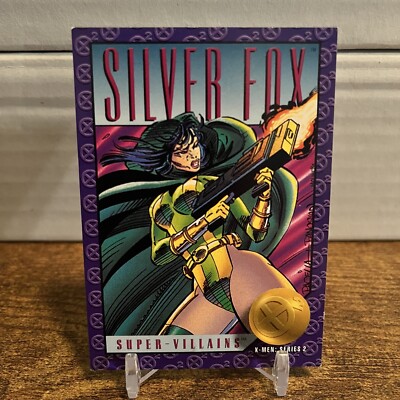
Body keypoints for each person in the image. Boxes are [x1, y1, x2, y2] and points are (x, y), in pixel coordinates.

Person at [100, 112, 298, 336]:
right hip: (206, 287)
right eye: (181, 152)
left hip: (240, 269)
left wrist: (263, 198)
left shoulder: (216, 184)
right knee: (168, 346)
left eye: (194, 145)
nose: (193, 155)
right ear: (167, 159)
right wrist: (205, 221)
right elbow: (160, 255)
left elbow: (255, 232)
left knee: (289, 323)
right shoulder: (161, 206)